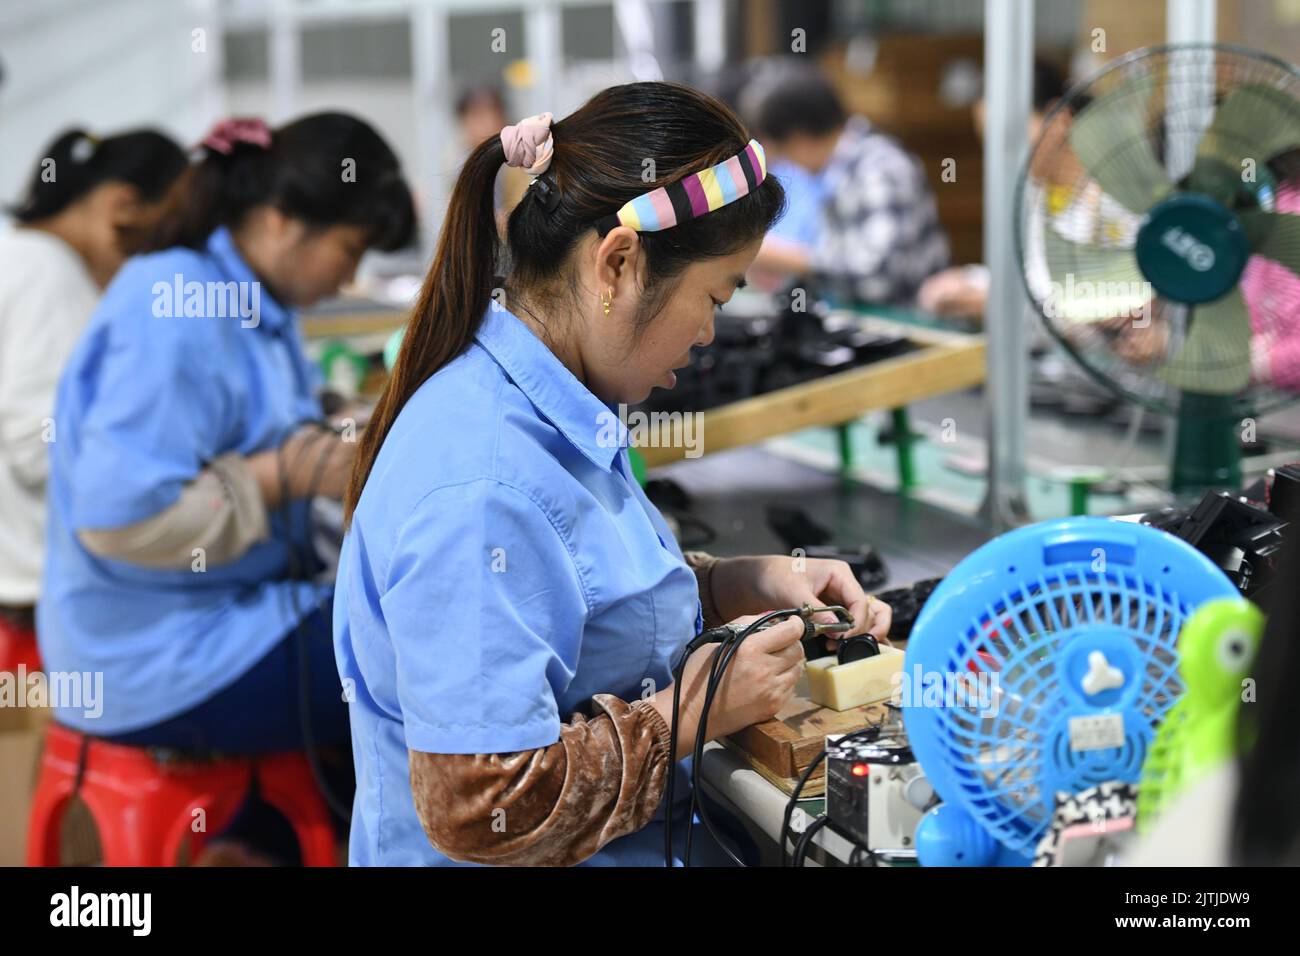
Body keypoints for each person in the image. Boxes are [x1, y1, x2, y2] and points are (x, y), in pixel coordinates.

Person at [335, 81, 895, 867]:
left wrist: (738, 584)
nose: (707, 334)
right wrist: (694, 710)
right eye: (713, 297)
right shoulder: (485, 488)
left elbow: (582, 605)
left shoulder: (555, 402)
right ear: (619, 264)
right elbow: (481, 807)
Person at [37, 112, 416, 863]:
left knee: (411, 622)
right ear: (280, 221)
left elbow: (271, 424)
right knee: (417, 656)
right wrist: (284, 476)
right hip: (150, 654)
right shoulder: (173, 303)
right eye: (347, 250)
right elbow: (118, 520)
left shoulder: (252, 306)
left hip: (222, 616)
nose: (348, 277)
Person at [0, 128, 187, 637]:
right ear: (123, 206)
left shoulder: (18, 254)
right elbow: (36, 447)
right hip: (29, 594)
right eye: (158, 237)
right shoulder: (51, 275)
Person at [748, 65, 949, 305]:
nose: (786, 164)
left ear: (799, 139)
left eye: (782, 152)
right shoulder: (836, 171)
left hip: (913, 326)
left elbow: (878, 279)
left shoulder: (880, 169)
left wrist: (786, 259)